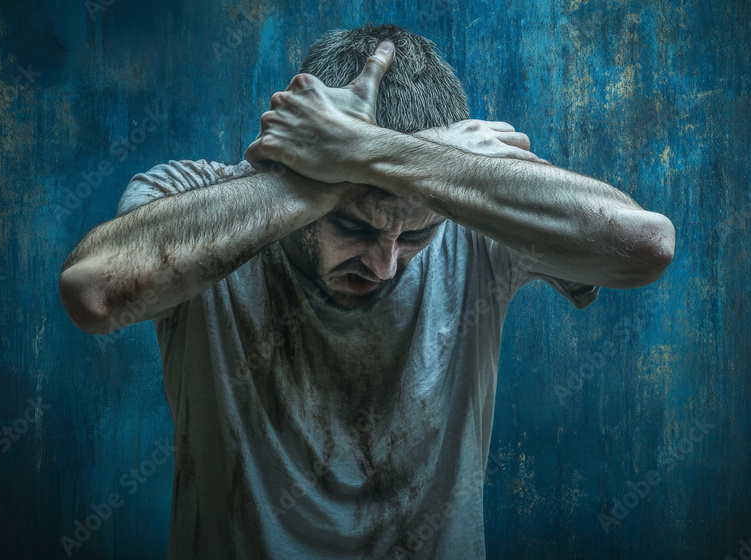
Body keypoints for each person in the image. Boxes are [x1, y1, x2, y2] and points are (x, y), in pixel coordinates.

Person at [58, 23, 675, 560]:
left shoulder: (469, 206)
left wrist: (365, 154)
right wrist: (326, 176)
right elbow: (94, 294)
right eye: (354, 226)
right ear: (293, 157)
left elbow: (646, 246)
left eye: (416, 236)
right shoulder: (194, 194)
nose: (386, 266)